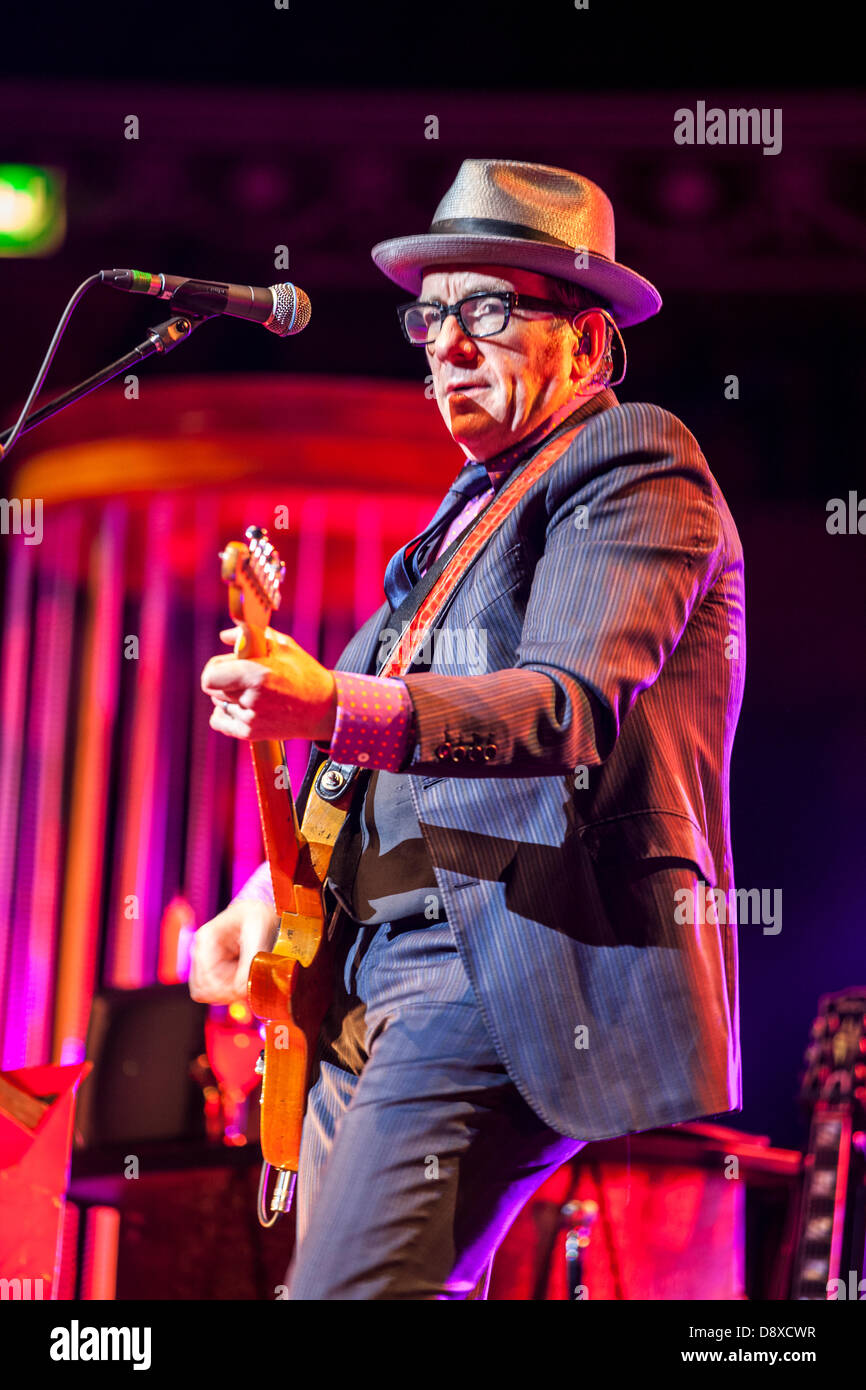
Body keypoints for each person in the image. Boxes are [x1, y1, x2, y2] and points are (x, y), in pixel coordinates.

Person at [190, 159, 745, 1300]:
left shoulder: (631, 458)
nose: (444, 344)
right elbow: (354, 760)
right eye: (430, 314)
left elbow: (563, 705)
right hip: (363, 979)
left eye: (486, 310)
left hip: (492, 958)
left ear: (584, 348)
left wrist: (327, 702)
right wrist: (265, 895)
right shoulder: (454, 526)